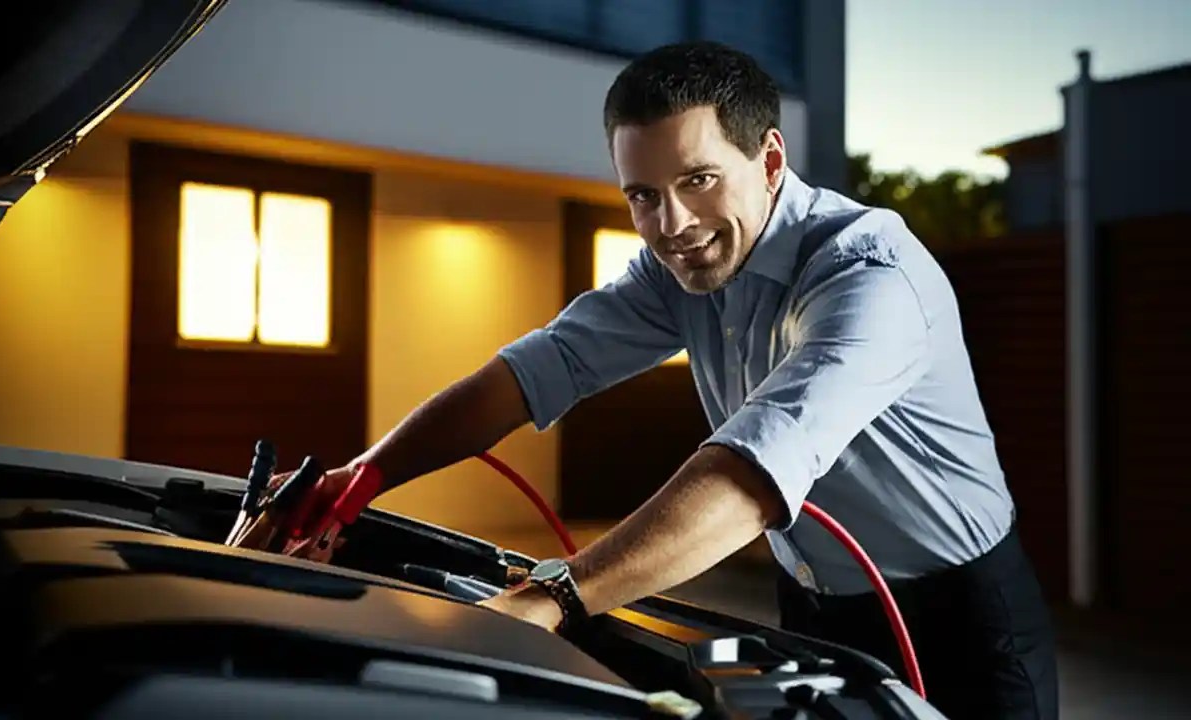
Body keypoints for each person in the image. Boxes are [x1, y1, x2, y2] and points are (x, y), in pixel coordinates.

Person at [237, 41, 1058, 719]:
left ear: (769, 158)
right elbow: (538, 368)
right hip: (815, 603)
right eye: (643, 196)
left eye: (698, 181)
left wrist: (551, 597)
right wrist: (367, 474)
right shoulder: (680, 264)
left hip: (967, 621)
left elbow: (749, 476)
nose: (672, 227)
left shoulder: (871, 277)